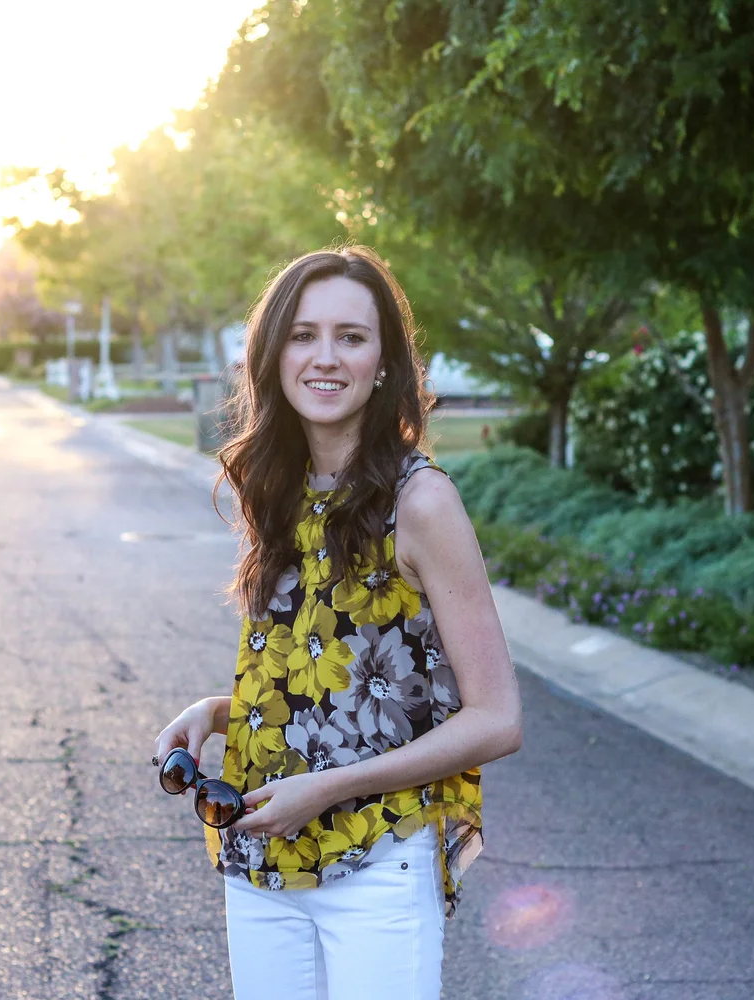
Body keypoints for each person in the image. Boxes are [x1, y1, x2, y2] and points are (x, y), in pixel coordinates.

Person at [152, 246, 523, 1000]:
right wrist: (220, 712)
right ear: (273, 355)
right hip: (262, 858)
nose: (325, 357)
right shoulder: (280, 489)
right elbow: (333, 682)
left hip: (378, 862)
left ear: (384, 363)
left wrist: (329, 788)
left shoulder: (421, 503)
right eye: (303, 335)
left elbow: (497, 718)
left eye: (351, 337)